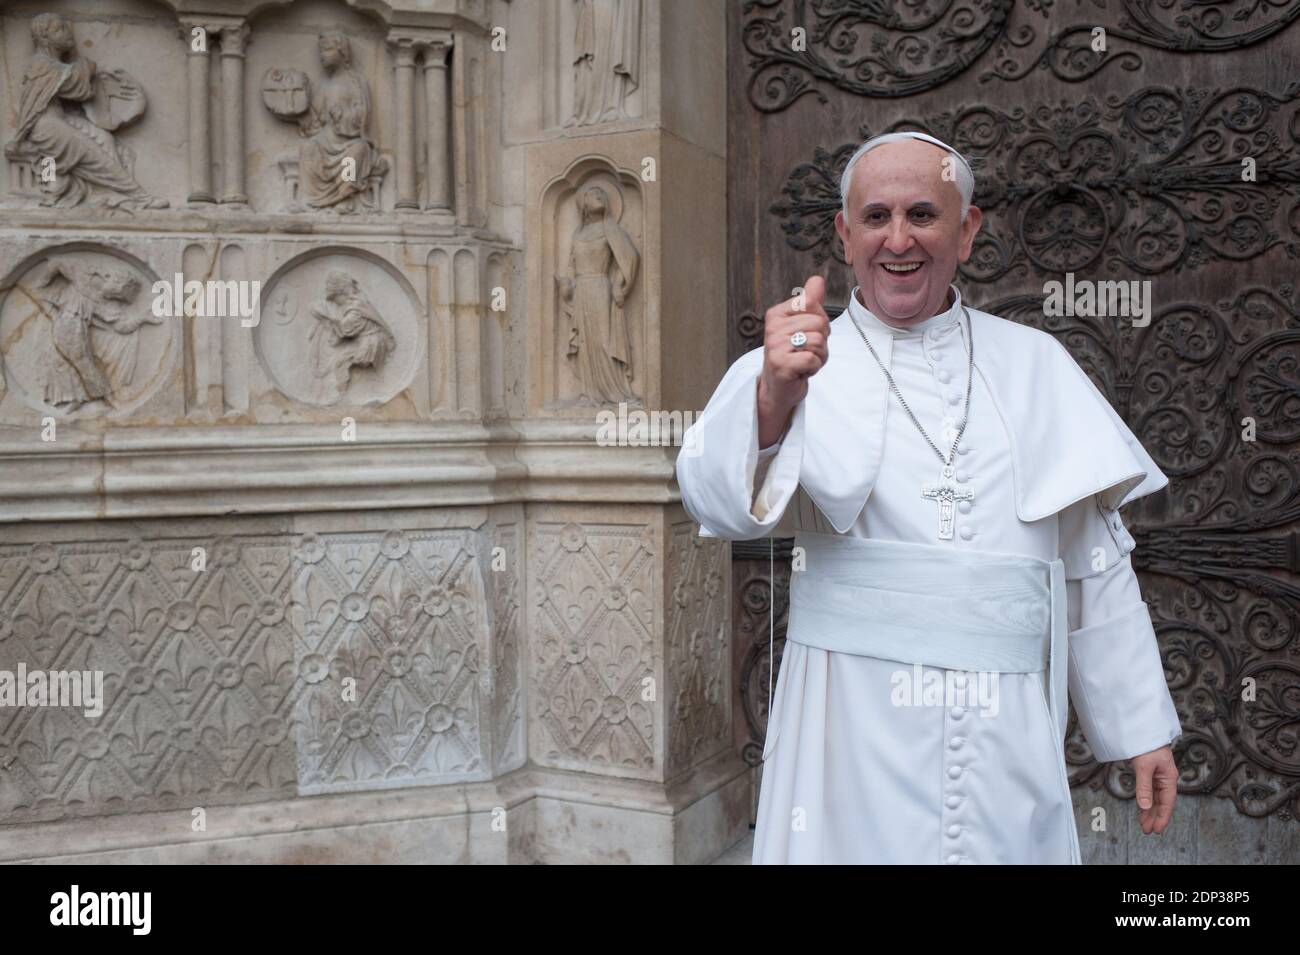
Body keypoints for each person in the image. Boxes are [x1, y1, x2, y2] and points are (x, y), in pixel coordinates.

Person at [676, 131, 1182, 864]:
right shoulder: (789, 366)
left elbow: (1092, 566)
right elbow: (711, 502)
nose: (898, 239)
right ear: (845, 235)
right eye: (875, 217)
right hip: (848, 731)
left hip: (1005, 739)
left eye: (922, 214)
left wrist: (1141, 727)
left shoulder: (1036, 365)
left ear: (967, 231)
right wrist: (772, 402)